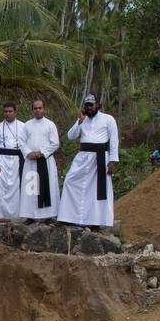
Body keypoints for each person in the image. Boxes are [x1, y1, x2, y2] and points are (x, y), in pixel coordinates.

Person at [59, 94, 119, 229]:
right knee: (70, 181)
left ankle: (96, 221)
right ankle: (69, 217)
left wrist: (112, 161)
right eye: (87, 105)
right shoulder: (82, 119)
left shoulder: (108, 119)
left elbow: (114, 140)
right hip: (83, 157)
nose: (89, 108)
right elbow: (71, 136)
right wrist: (79, 122)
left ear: (97, 105)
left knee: (98, 189)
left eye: (91, 105)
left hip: (100, 157)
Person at [21, 98, 61, 220]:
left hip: (45, 161)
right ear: (32, 110)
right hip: (31, 162)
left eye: (40, 108)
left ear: (44, 109)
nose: (37, 110)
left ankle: (48, 215)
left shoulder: (50, 125)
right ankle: (30, 215)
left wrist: (41, 153)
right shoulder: (27, 125)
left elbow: (55, 143)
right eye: (35, 108)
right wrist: (28, 153)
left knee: (48, 186)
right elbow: (21, 142)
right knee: (31, 188)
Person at [0, 102, 27, 221]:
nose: (8, 113)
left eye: (10, 111)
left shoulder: (23, 126)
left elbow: (26, 145)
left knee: (17, 186)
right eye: (6, 111)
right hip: (2, 161)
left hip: (18, 161)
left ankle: (18, 216)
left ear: (15, 112)